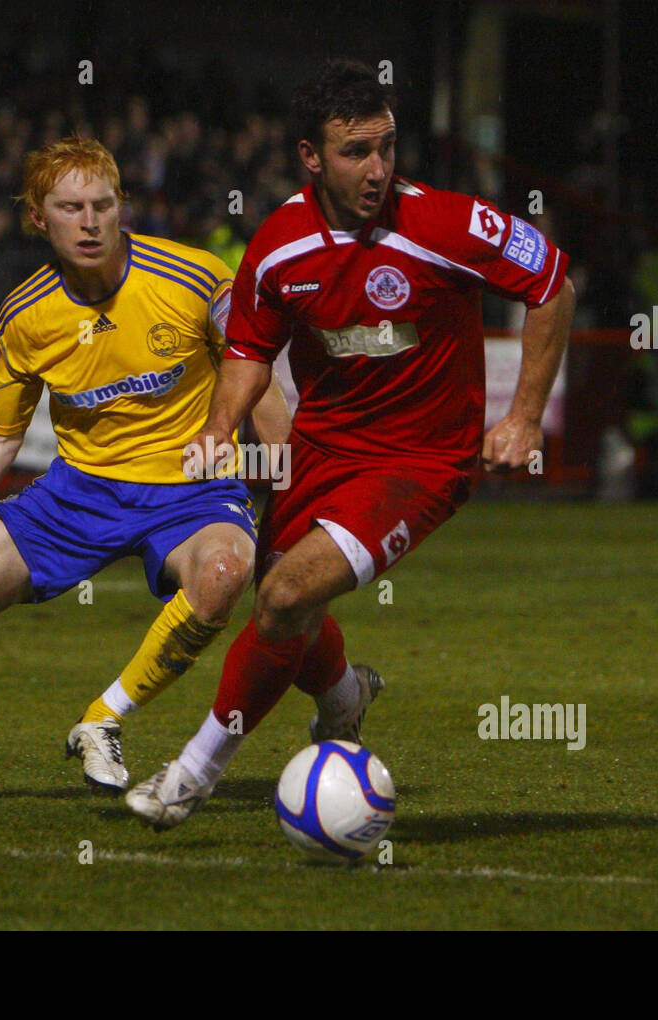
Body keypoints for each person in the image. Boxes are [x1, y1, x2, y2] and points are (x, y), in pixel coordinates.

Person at [126, 60, 575, 828]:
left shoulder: (444, 224)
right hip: (322, 452)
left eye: (387, 148)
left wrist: (523, 415)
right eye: (355, 152)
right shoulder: (276, 248)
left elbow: (553, 284)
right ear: (310, 156)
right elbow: (247, 355)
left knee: (286, 594)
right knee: (286, 608)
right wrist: (215, 428)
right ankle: (343, 699)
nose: (378, 170)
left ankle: (190, 775)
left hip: (420, 461)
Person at [0, 137, 289, 804]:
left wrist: (284, 492)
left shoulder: (196, 278)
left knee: (223, 575)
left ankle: (103, 720)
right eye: (71, 207)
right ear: (38, 218)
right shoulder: (25, 315)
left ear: (122, 207)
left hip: (190, 488)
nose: (91, 221)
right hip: (78, 494)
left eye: (103, 204)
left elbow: (259, 381)